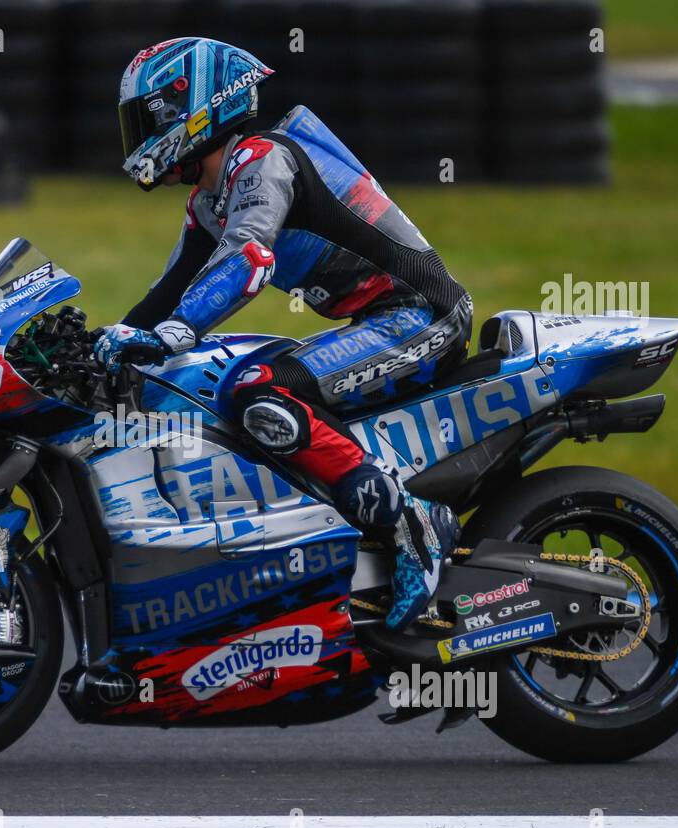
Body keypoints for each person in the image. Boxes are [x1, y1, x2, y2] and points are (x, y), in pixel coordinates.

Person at [94, 37, 472, 629]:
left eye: (149, 120)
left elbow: (246, 261)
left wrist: (173, 333)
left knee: (256, 389)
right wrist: (105, 343)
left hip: (422, 315)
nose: (139, 135)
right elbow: (166, 294)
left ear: (193, 106)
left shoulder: (263, 161)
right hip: (378, 320)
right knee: (215, 379)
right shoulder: (209, 201)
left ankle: (413, 524)